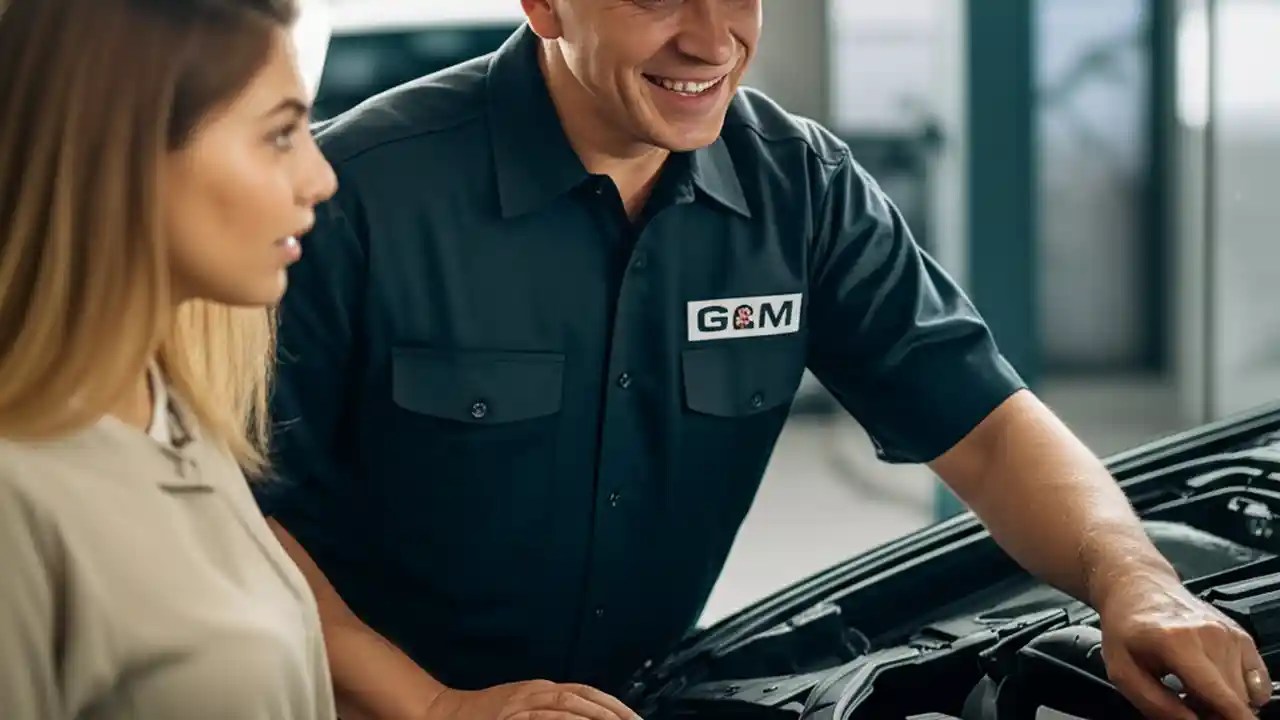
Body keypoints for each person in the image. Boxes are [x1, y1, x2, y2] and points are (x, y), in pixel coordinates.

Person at [258, 2, 1272, 719]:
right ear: (545, 5)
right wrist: (429, 707)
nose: (711, 37)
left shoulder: (803, 190)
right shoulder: (355, 197)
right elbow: (229, 509)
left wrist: (1136, 581)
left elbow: (990, 432)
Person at [0, 0, 338, 717]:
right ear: (118, 151)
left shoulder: (175, 414)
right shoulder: (17, 492)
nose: (320, 179)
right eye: (280, 135)